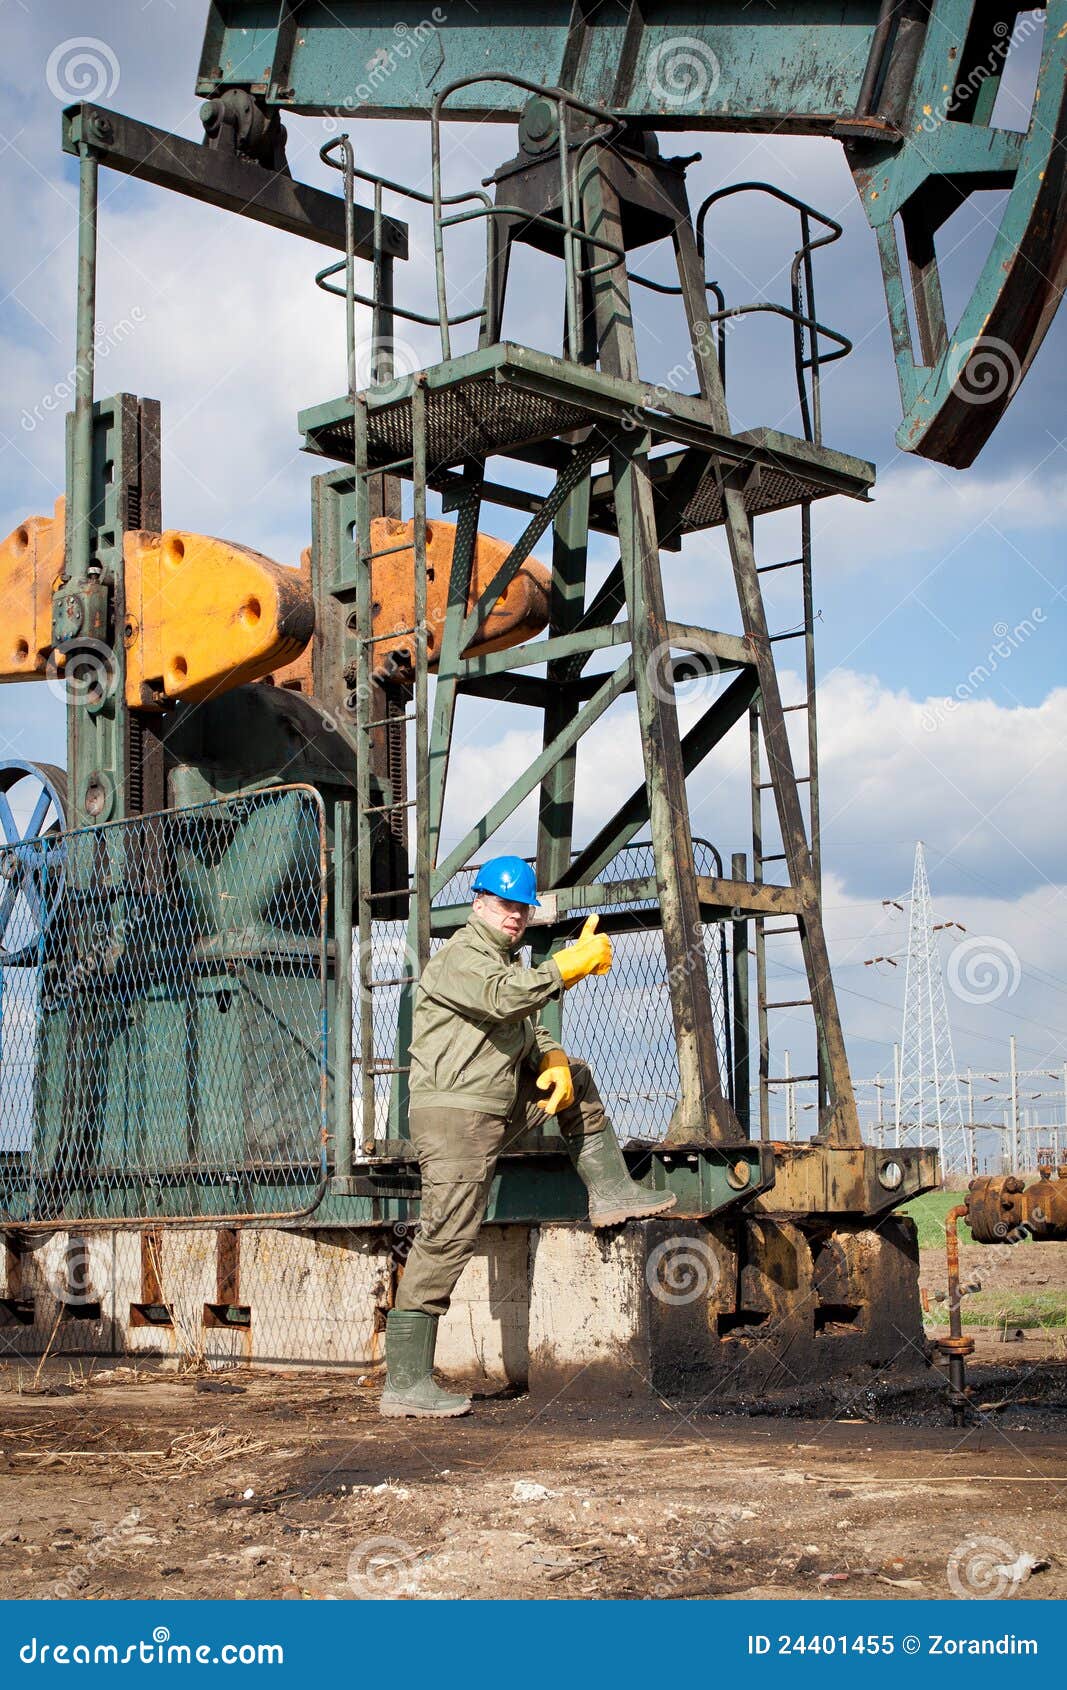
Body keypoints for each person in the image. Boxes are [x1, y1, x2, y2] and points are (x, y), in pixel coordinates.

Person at [380, 854, 677, 1419]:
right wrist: (568, 965)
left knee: (579, 1078)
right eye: (504, 904)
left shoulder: (501, 959)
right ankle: (406, 1384)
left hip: (493, 1106)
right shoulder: (460, 957)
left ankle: (612, 1192)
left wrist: (553, 1055)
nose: (514, 916)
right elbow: (505, 998)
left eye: (522, 908)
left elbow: (524, 1017)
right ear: (479, 904)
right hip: (456, 1117)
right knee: (447, 1233)